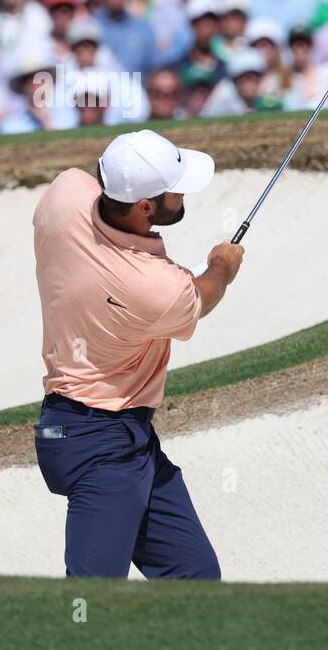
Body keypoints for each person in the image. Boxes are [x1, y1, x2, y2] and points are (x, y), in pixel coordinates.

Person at [31, 129, 244, 578]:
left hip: (114, 435)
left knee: (195, 578)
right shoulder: (155, 288)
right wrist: (223, 264)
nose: (183, 192)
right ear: (145, 207)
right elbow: (203, 295)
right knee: (94, 598)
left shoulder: (64, 193)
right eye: (174, 188)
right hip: (98, 443)